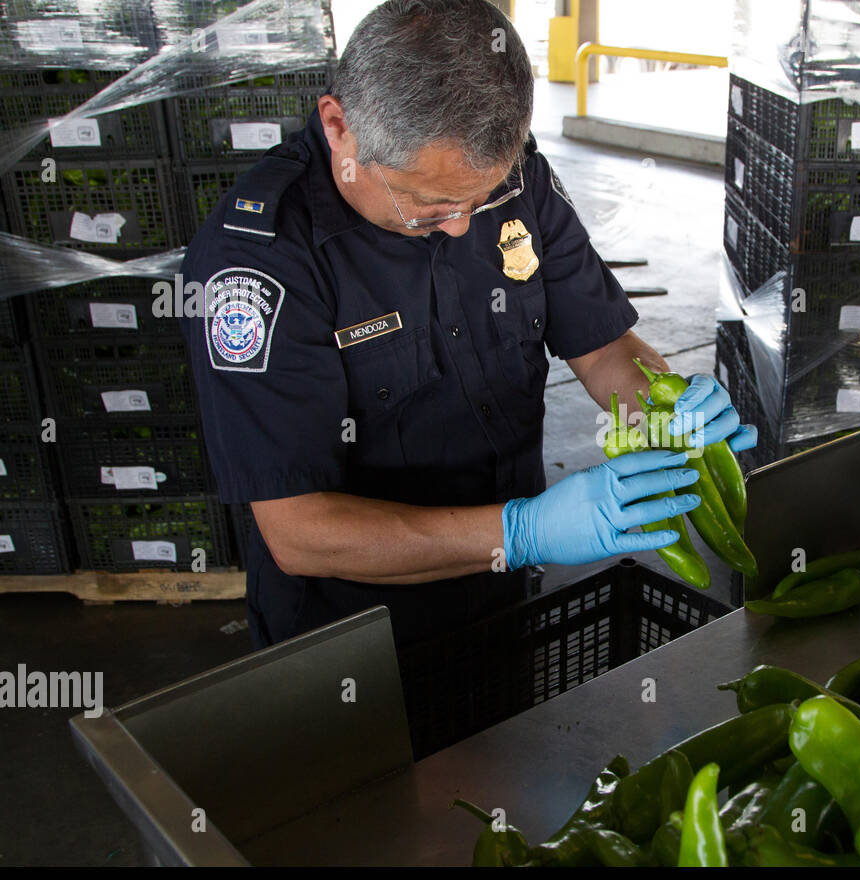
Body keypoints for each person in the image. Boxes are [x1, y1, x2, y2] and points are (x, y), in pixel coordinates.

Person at [180, 0, 756, 662]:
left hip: (501, 597)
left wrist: (661, 398)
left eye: (478, 199)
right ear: (339, 128)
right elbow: (299, 529)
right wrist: (524, 531)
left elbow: (599, 344)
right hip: (353, 640)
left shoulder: (513, 179)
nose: (461, 225)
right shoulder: (260, 260)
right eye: (428, 204)